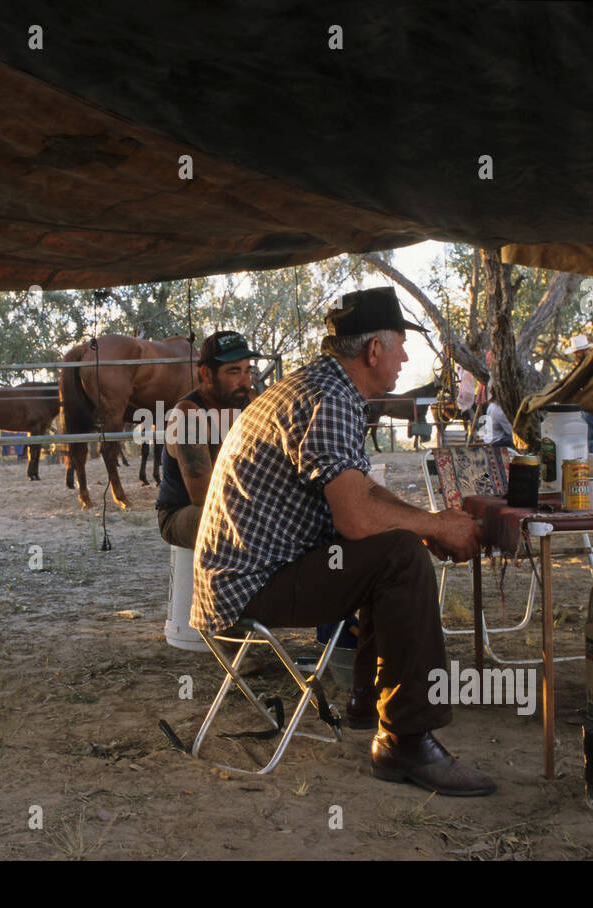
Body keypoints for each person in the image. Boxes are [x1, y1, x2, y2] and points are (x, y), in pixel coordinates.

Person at [191, 287, 495, 796]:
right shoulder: (329, 398)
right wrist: (435, 527)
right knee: (398, 555)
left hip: (245, 575)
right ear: (373, 351)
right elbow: (356, 518)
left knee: (396, 542)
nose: (404, 358)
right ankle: (406, 738)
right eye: (400, 345)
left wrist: (426, 522)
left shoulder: (319, 387)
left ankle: (368, 700)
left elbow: (363, 491)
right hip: (247, 586)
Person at [156, 330, 260, 548]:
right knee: (234, 521)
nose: (244, 381)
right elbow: (201, 495)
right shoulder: (188, 415)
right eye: (233, 372)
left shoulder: (249, 400)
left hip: (241, 501)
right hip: (183, 512)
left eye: (247, 371)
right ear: (206, 374)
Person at [570, 334, 593, 454]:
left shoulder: (591, 362)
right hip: (587, 401)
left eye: (578, 352)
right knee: (590, 430)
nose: (576, 355)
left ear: (584, 351)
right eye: (575, 353)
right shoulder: (584, 364)